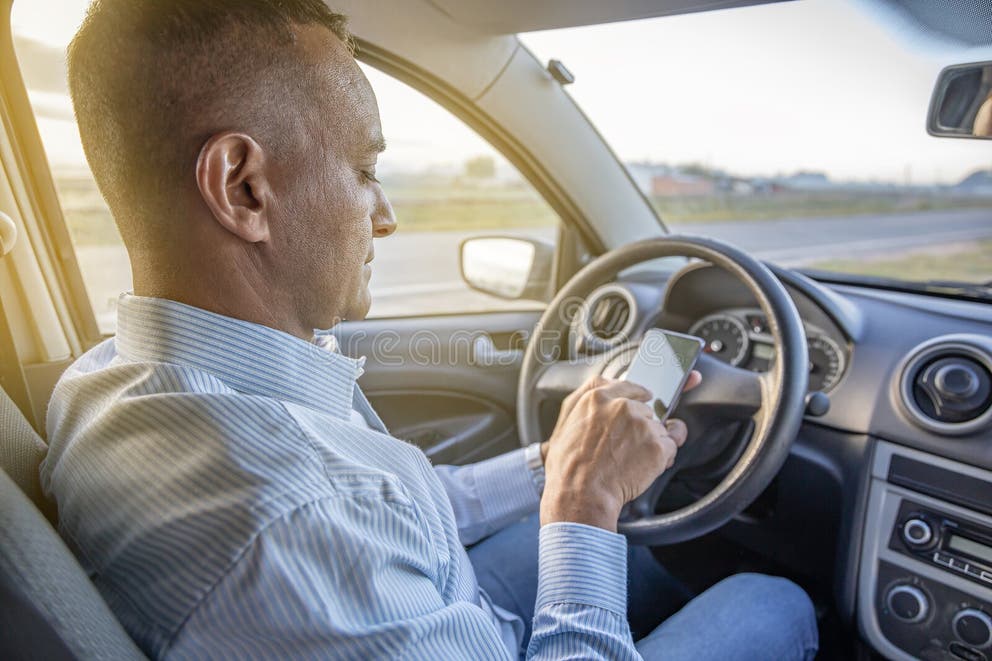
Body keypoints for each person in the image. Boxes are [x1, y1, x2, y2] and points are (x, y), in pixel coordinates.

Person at [41, 1, 819, 659]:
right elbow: (339, 513)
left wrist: (560, 459)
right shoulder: (298, 520)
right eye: (364, 171)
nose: (387, 215)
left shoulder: (107, 376)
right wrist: (585, 500)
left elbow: (390, 504)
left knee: (645, 562)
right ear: (243, 188)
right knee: (774, 600)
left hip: (432, 611)